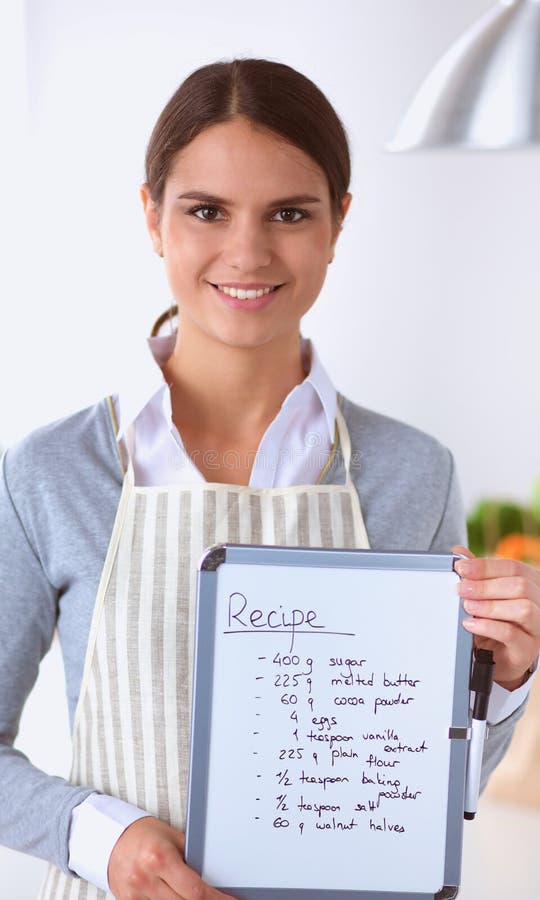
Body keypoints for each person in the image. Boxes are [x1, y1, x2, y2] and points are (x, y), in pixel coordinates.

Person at [0, 58, 539, 900]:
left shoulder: (413, 474)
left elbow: (435, 794)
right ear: (152, 217)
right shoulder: (51, 473)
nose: (247, 253)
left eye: (289, 213)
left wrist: (505, 682)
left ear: (337, 224)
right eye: (206, 210)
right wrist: (102, 840)